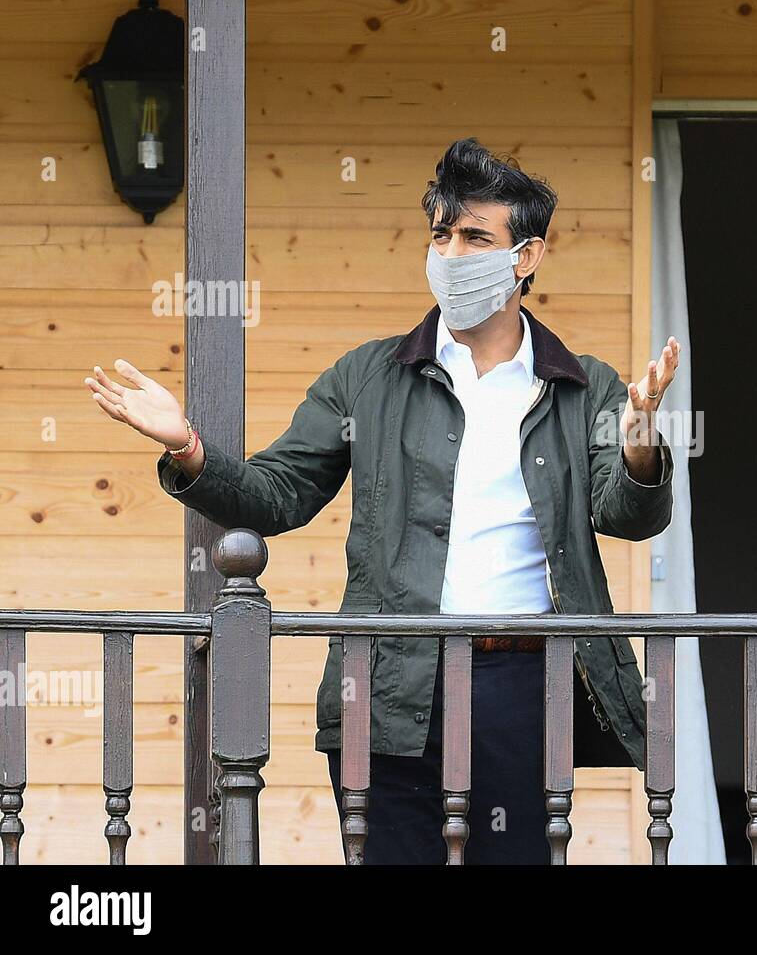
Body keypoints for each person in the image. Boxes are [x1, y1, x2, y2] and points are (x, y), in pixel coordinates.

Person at [85, 137, 682, 864]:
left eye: (475, 238)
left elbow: (627, 513)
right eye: (441, 235)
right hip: (386, 683)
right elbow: (278, 495)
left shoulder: (585, 385)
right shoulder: (369, 376)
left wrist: (640, 441)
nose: (453, 255)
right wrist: (188, 448)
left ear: (525, 257)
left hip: (525, 685)